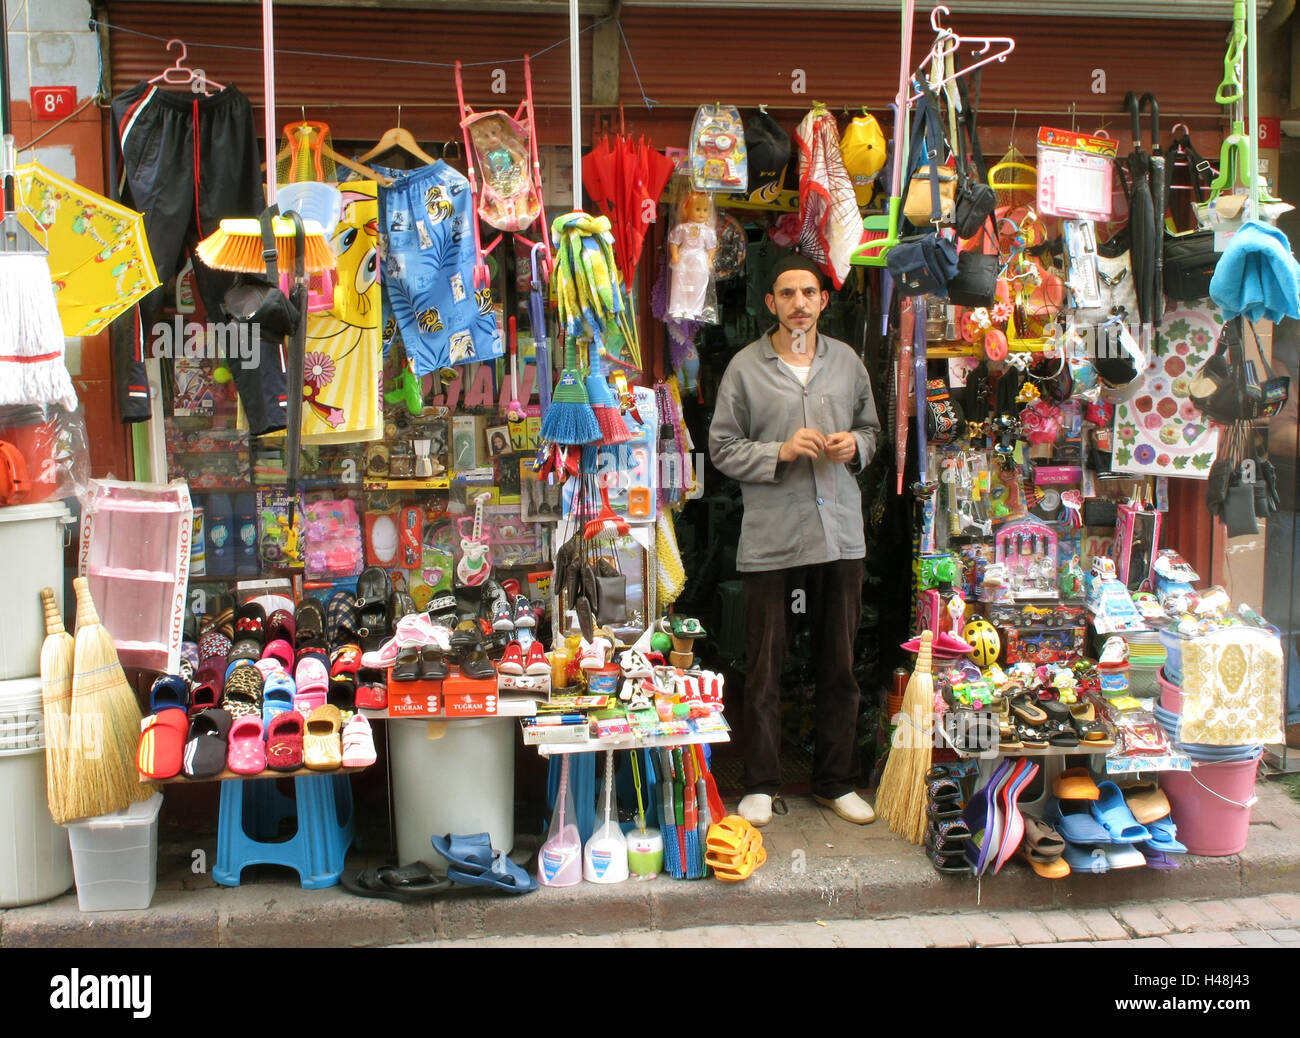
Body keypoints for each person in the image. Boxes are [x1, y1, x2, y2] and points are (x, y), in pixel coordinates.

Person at [708, 253, 881, 826]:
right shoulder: (745, 367)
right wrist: (778, 451)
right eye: (787, 294)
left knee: (839, 664)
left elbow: (872, 431)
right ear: (771, 303)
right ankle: (759, 782)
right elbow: (723, 447)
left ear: (823, 300)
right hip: (774, 539)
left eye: (809, 292)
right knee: (764, 666)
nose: (799, 303)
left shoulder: (847, 362)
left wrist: (856, 446)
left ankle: (836, 781)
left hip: (840, 540)